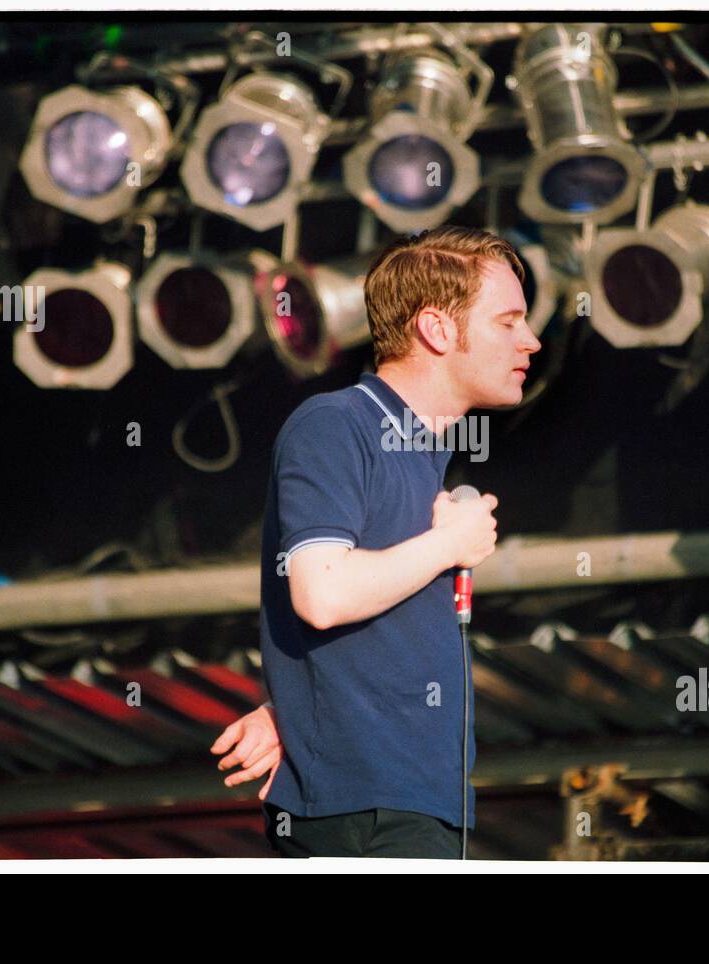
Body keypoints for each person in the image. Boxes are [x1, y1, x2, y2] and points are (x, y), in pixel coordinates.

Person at [212, 225, 541, 858]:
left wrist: (301, 712)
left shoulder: (424, 458)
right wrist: (449, 546)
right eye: (508, 322)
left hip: (414, 807)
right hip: (367, 816)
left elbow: (362, 636)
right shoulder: (336, 425)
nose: (531, 340)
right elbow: (323, 594)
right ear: (437, 330)